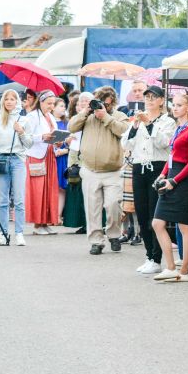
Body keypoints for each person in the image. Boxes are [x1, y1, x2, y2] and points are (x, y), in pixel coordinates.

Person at [67, 87, 130, 255]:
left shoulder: (119, 116)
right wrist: (85, 112)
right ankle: (96, 241)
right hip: (90, 170)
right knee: (92, 208)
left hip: (113, 171)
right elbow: (71, 126)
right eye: (100, 103)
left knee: (113, 204)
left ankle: (114, 234)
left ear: (112, 103)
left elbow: (125, 131)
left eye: (107, 104)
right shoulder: (88, 116)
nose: (103, 107)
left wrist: (106, 117)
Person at [122, 85, 176, 275]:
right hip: (139, 167)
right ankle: (149, 255)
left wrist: (150, 124)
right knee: (142, 212)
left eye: (154, 97)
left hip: (157, 168)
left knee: (155, 215)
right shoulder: (137, 119)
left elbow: (164, 143)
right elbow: (126, 143)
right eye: (147, 97)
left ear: (161, 100)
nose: (150, 100)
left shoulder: (168, 121)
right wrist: (136, 125)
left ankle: (157, 257)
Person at [151, 93, 188, 283]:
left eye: (179, 105)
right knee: (158, 223)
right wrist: (163, 174)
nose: (175, 108)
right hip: (172, 175)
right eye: (174, 104)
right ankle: (171, 267)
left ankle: (184, 270)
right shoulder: (179, 128)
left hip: (181, 180)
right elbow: (172, 156)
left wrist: (174, 180)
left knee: (184, 226)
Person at [0, 89, 32, 246]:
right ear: (3, 102)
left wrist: (21, 132)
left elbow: (29, 144)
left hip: (18, 160)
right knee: (3, 200)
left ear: (17, 101)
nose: (9, 101)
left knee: (19, 200)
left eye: (13, 99)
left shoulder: (24, 120)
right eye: (6, 99)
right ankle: (3, 233)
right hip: (0, 159)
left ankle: (19, 233)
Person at [24, 90, 60, 235]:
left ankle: (45, 222)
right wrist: (42, 137)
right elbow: (25, 137)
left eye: (53, 103)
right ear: (41, 102)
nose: (51, 106)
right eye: (49, 103)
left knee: (49, 189)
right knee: (38, 189)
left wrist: (58, 141)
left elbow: (53, 135)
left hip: (49, 155)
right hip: (37, 156)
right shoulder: (32, 116)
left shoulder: (50, 116)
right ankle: (37, 224)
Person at [61, 93, 90, 233]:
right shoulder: (74, 119)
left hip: (87, 155)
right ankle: (79, 221)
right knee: (75, 187)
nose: (82, 104)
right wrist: (67, 140)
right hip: (74, 154)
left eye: (86, 101)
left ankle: (89, 223)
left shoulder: (93, 118)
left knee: (88, 190)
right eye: (80, 102)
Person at [52, 97, 71, 224]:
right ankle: (50, 216)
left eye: (64, 106)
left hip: (62, 158)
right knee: (51, 187)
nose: (63, 108)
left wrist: (65, 150)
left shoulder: (67, 123)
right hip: (51, 157)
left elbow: (73, 141)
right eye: (61, 106)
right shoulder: (49, 121)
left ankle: (58, 216)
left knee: (61, 188)